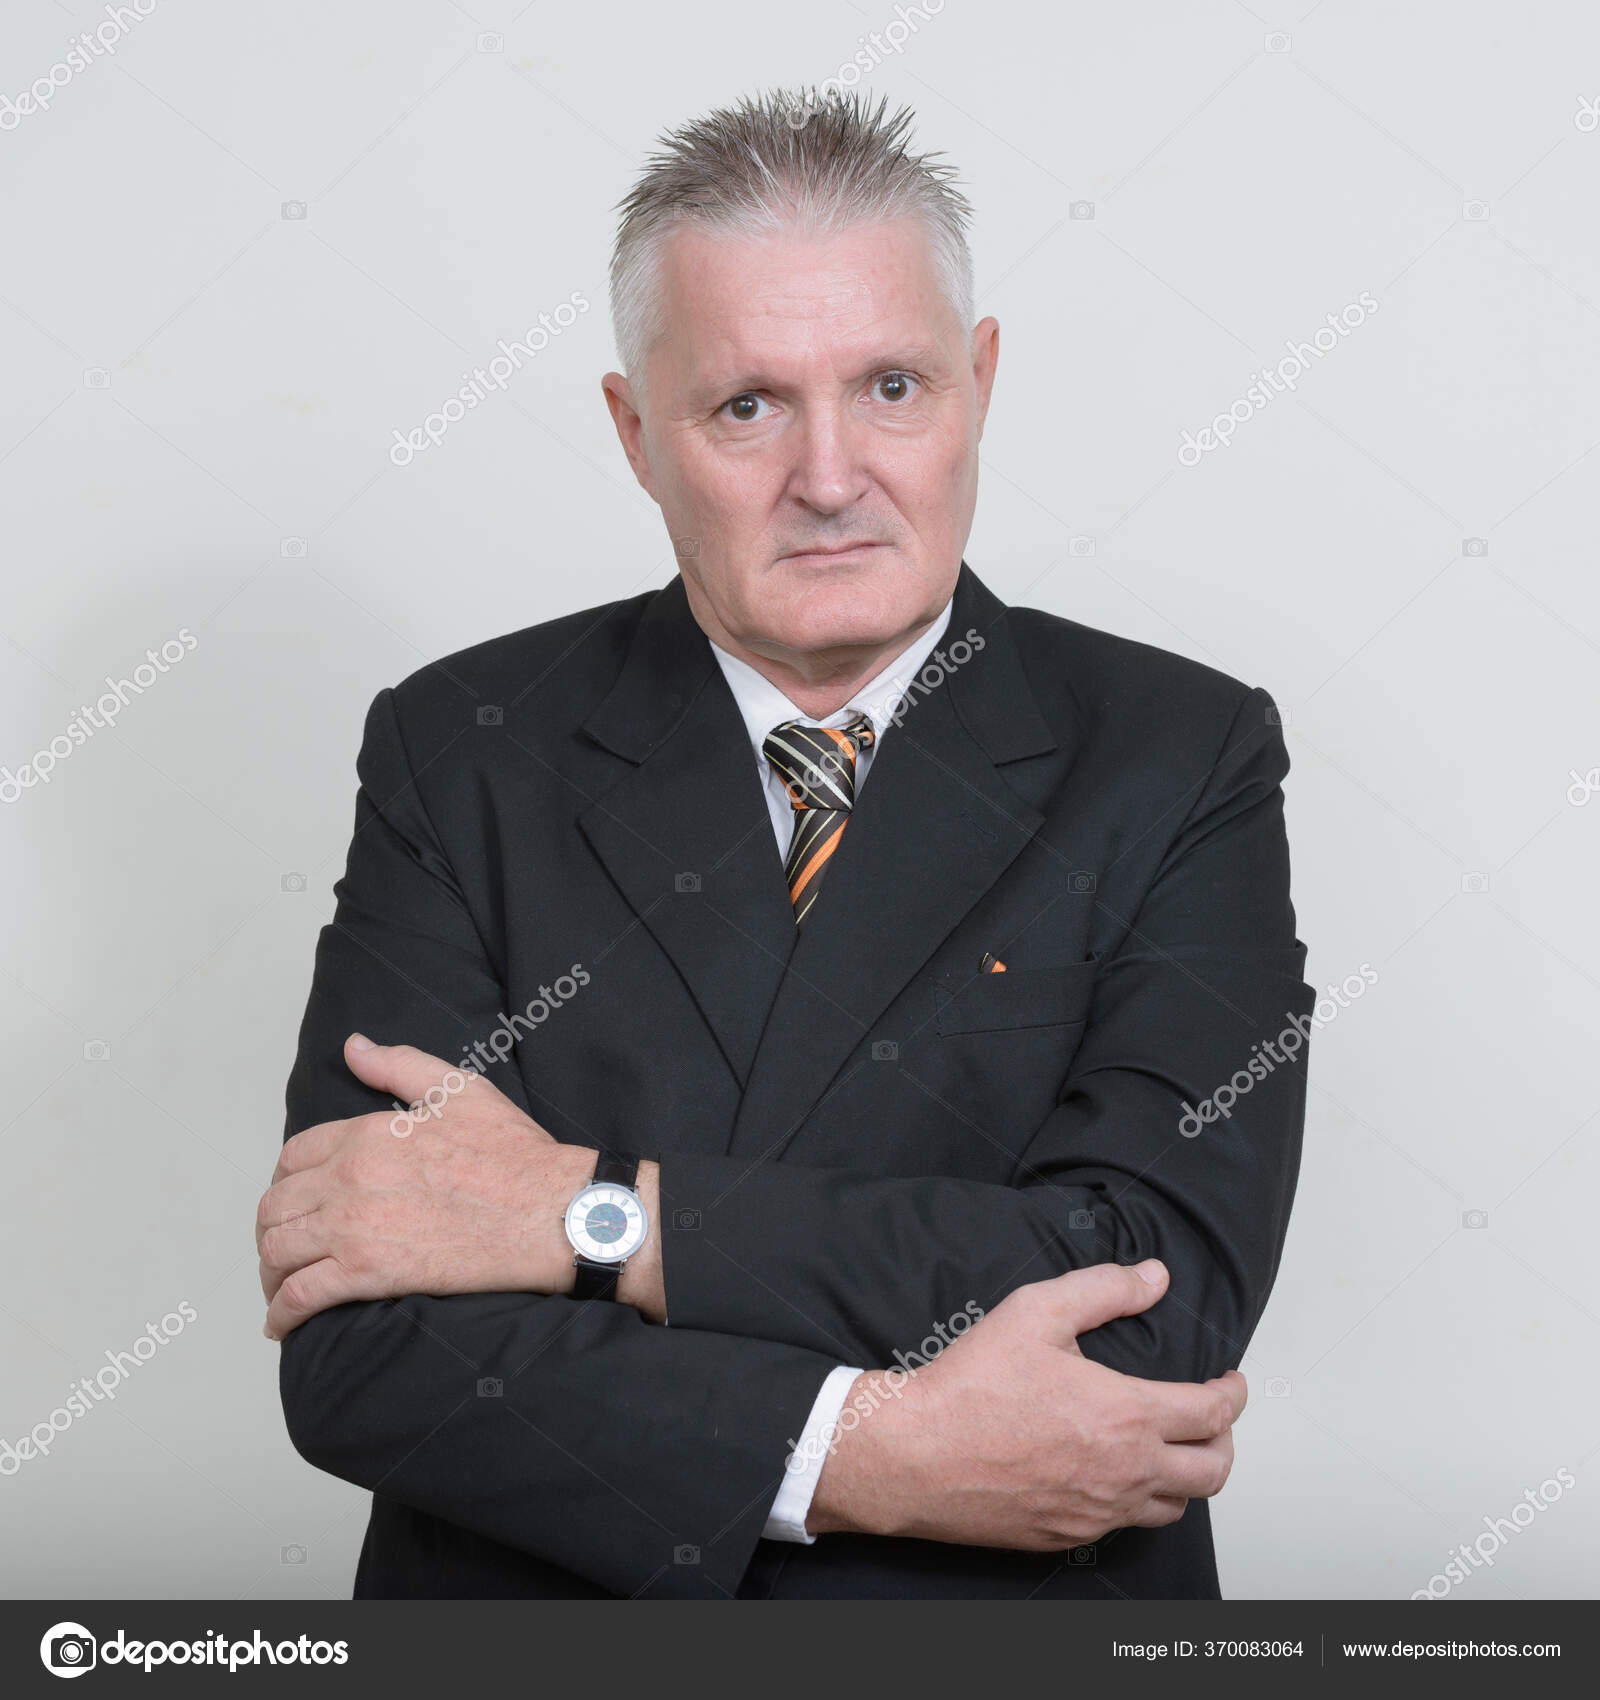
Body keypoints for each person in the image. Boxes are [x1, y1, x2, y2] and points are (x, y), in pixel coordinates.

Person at [257, 87, 1313, 1599]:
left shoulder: (1178, 752)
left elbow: (1153, 1300)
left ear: (980, 381)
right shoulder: (463, 746)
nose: (829, 478)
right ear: (636, 432)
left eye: (891, 387)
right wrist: (861, 1453)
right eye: (747, 406)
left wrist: (580, 1216)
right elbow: (366, 1344)